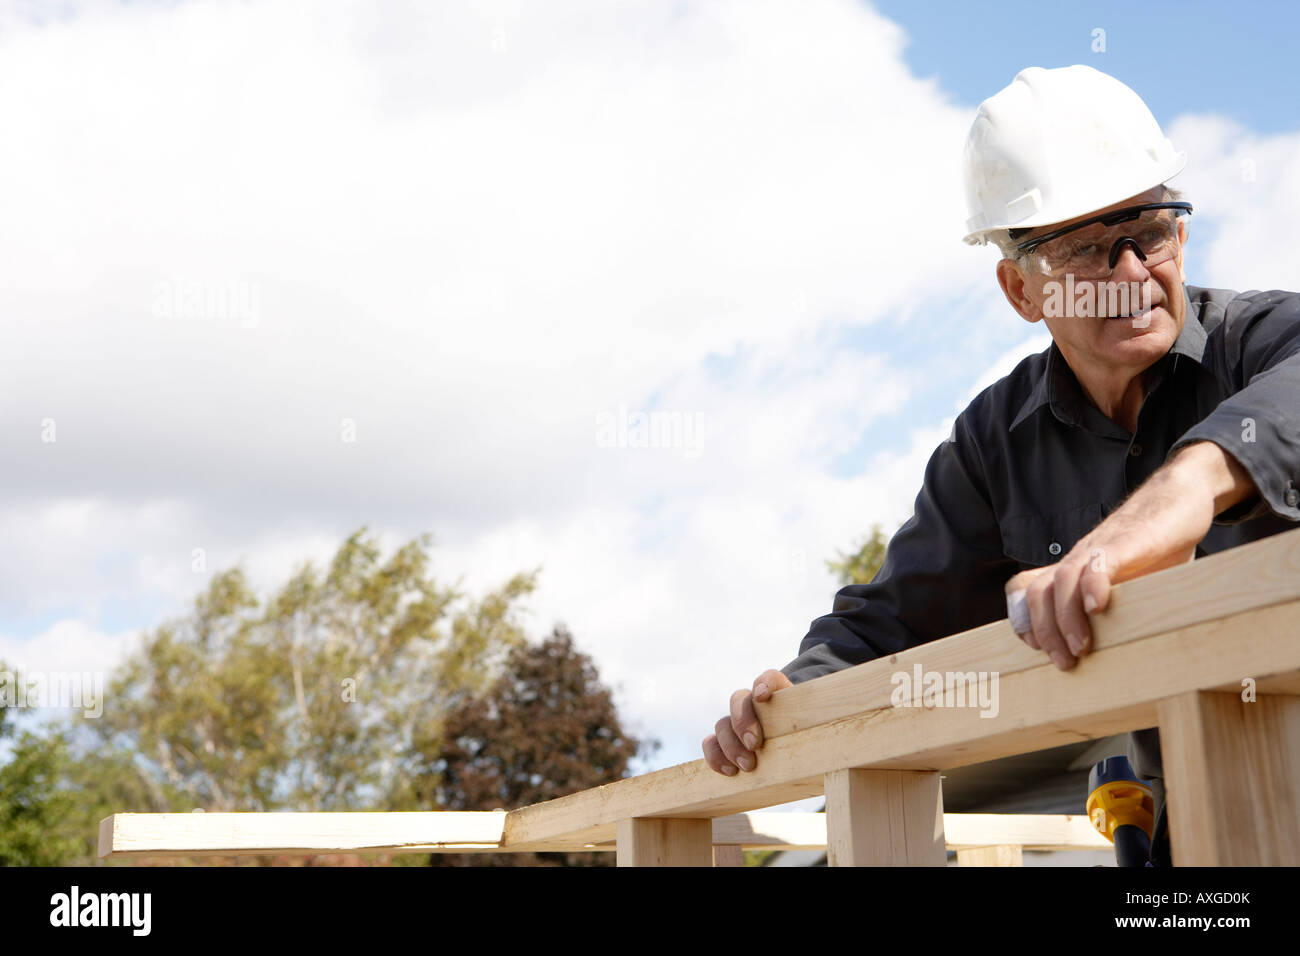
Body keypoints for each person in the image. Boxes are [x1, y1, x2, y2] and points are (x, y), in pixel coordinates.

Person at [701, 65, 1300, 865]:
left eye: (1148, 233)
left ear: (1180, 236)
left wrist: (1182, 493)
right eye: (1087, 251)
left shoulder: (1260, 346)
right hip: (1204, 834)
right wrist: (786, 701)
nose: (1129, 274)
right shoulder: (995, 444)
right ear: (1021, 289)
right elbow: (889, 625)